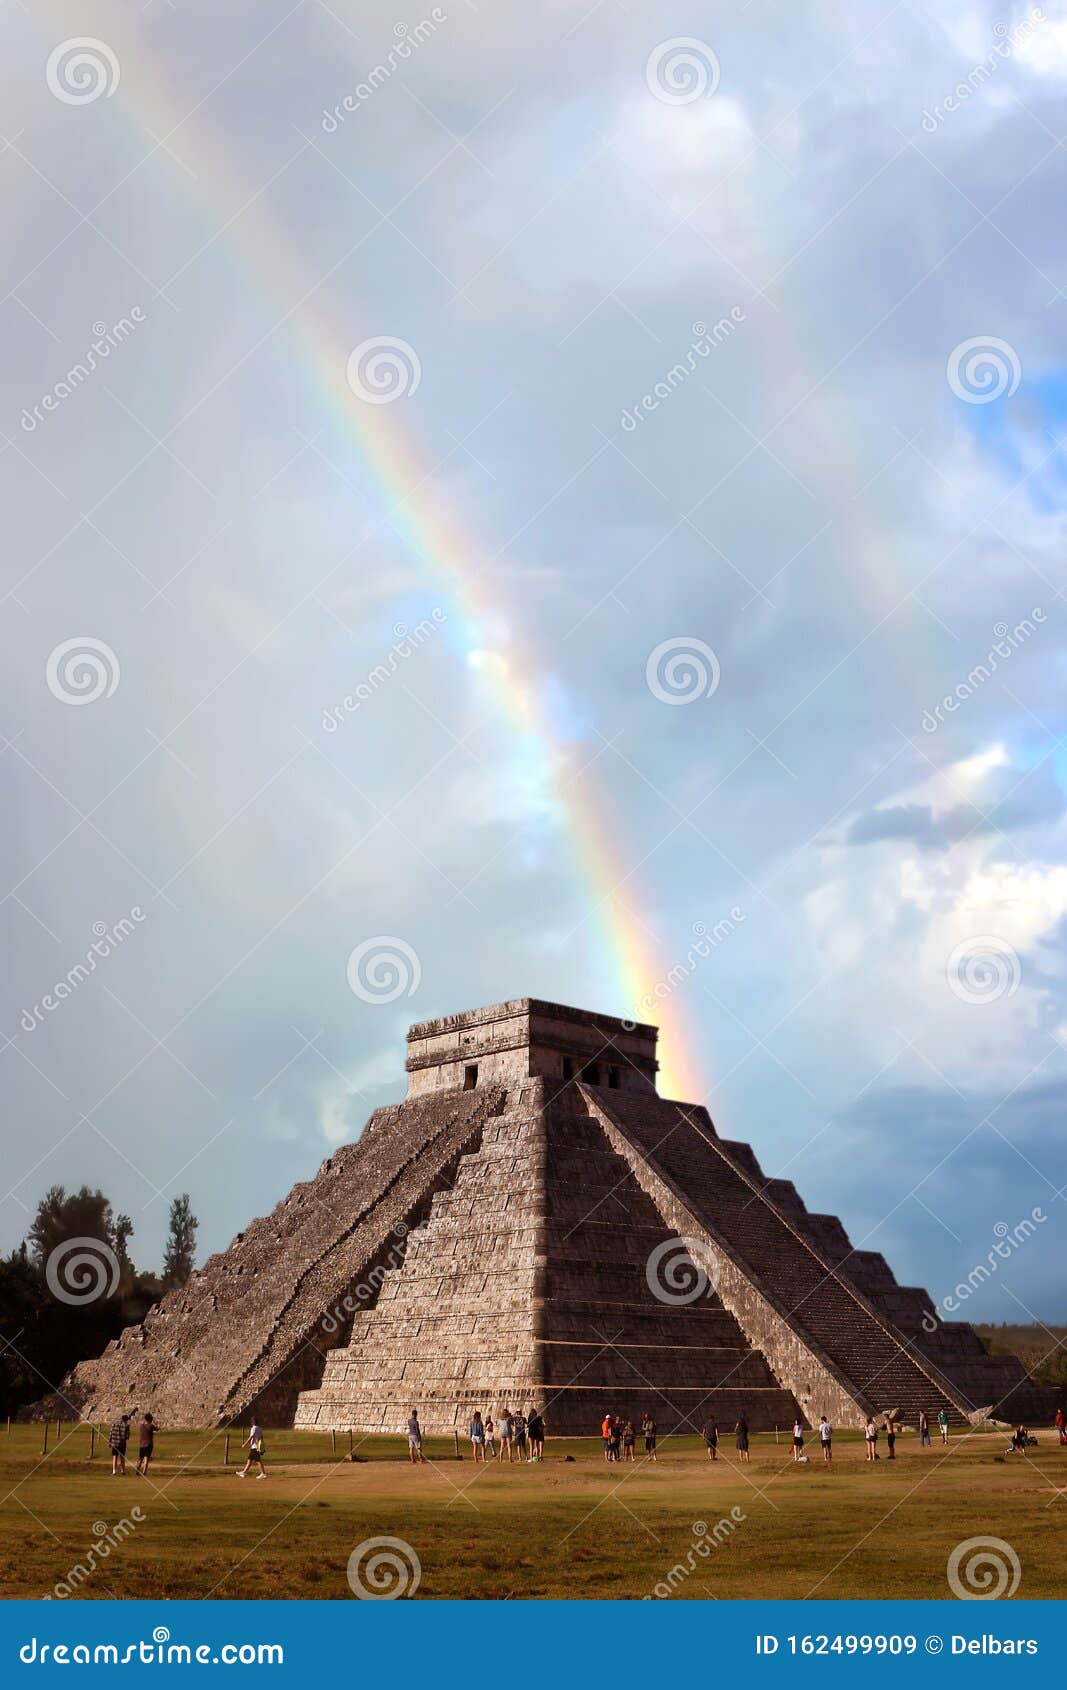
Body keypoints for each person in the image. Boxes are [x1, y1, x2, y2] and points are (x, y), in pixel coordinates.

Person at [136, 1412, 155, 1476]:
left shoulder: (141, 1426)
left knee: (140, 1458)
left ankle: (137, 1470)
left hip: (142, 1444)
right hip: (149, 1444)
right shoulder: (151, 1426)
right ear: (150, 1419)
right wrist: (154, 1423)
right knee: (146, 1458)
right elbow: (157, 1429)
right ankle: (144, 1472)